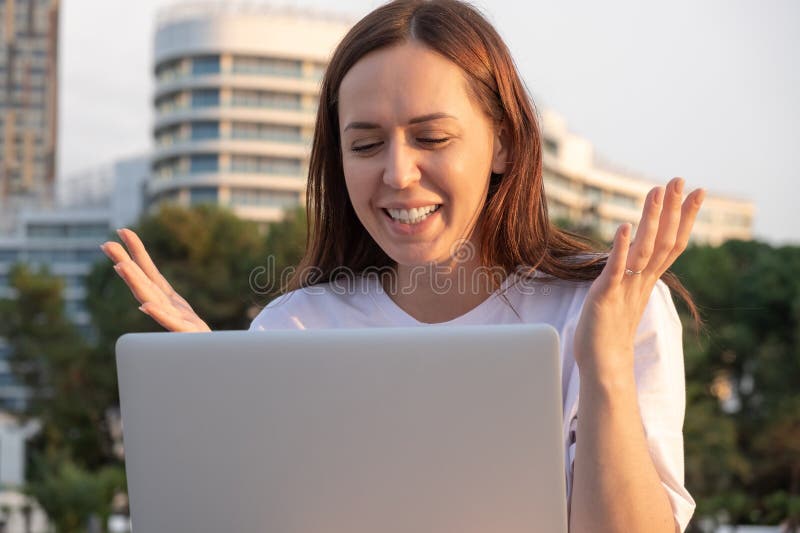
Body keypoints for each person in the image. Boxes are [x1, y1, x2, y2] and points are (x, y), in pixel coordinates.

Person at [101, 1, 706, 531]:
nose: (397, 173)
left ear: (505, 144)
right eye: (365, 145)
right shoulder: (295, 328)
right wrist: (230, 402)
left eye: (432, 138)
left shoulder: (613, 306)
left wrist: (603, 368)